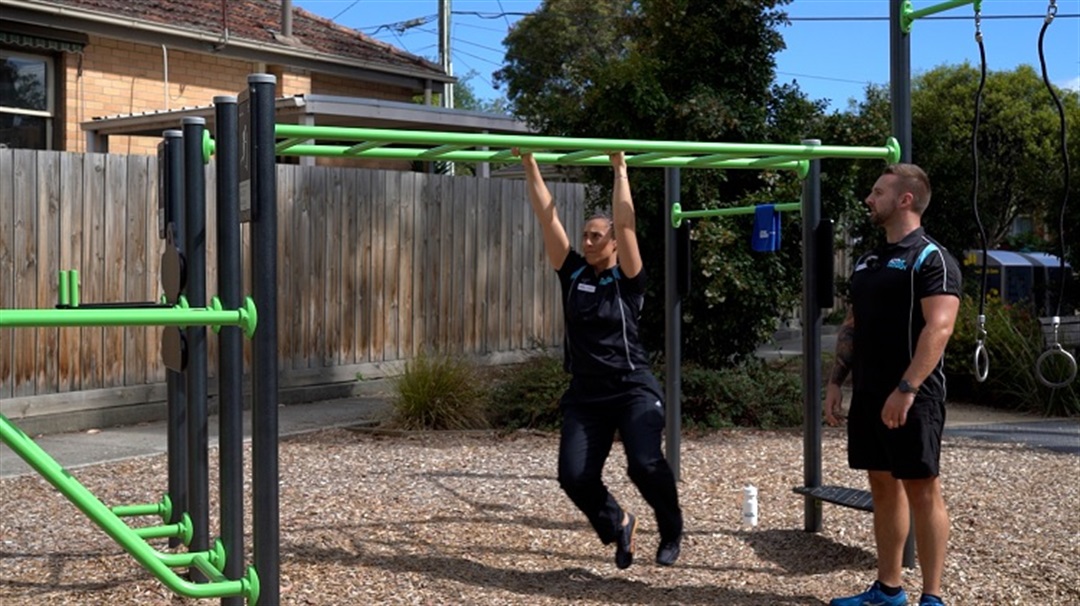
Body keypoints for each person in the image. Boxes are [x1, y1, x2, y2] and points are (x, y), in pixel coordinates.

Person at [515, 148, 683, 569]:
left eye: (595, 236)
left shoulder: (628, 279)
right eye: (585, 235)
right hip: (586, 393)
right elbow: (546, 216)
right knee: (573, 476)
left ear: (612, 243)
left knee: (644, 464)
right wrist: (530, 164)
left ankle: (671, 527)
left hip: (631, 388)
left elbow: (625, 221)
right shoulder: (572, 273)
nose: (587, 241)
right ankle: (618, 521)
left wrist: (620, 169)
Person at [824, 163, 962, 606]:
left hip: (912, 396)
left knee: (922, 486)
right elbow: (853, 324)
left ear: (905, 199)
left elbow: (939, 328)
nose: (869, 198)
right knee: (882, 485)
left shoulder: (930, 257)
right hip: (867, 391)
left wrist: (907, 388)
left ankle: (933, 597)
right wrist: (835, 382)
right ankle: (888, 589)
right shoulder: (868, 260)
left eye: (878, 191)